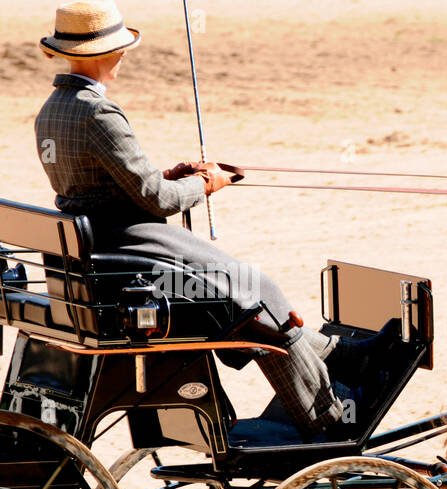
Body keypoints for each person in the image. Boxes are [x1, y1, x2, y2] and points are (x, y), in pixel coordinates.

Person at [34, 0, 388, 436]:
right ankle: (326, 417)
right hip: (128, 245)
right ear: (105, 53)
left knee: (243, 285)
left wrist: (169, 174)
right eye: (120, 48)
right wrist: (206, 184)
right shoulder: (99, 112)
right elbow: (156, 198)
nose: (125, 54)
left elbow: (103, 184)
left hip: (102, 242)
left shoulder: (53, 110)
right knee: (254, 291)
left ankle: (342, 355)